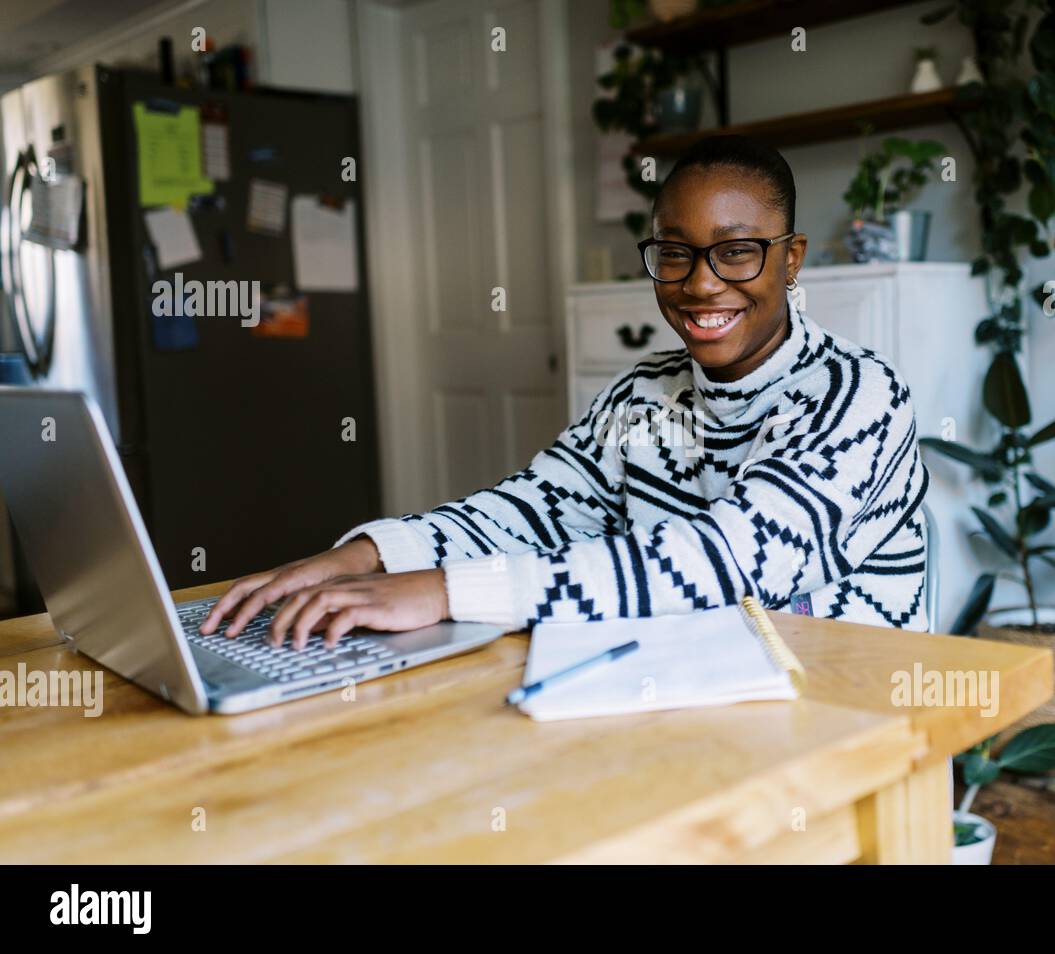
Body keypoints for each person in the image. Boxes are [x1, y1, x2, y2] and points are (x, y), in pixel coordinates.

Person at [201, 134, 929, 650]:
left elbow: (732, 564)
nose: (701, 281)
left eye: (737, 250)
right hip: (694, 702)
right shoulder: (642, 397)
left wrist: (444, 591)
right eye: (675, 251)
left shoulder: (862, 398)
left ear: (791, 258)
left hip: (848, 718)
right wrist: (365, 556)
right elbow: (530, 509)